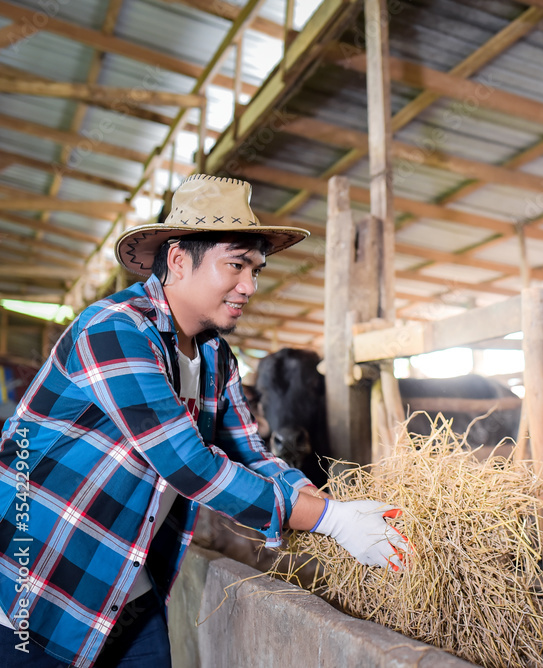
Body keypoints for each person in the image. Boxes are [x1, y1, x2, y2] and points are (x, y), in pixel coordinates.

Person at [0, 174, 409, 668]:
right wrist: (330, 522)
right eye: (236, 265)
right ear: (177, 260)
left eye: (256, 270)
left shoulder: (216, 356)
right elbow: (188, 465)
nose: (249, 286)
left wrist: (332, 507)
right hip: (37, 585)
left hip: (126, 587)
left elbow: (250, 454)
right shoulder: (115, 329)